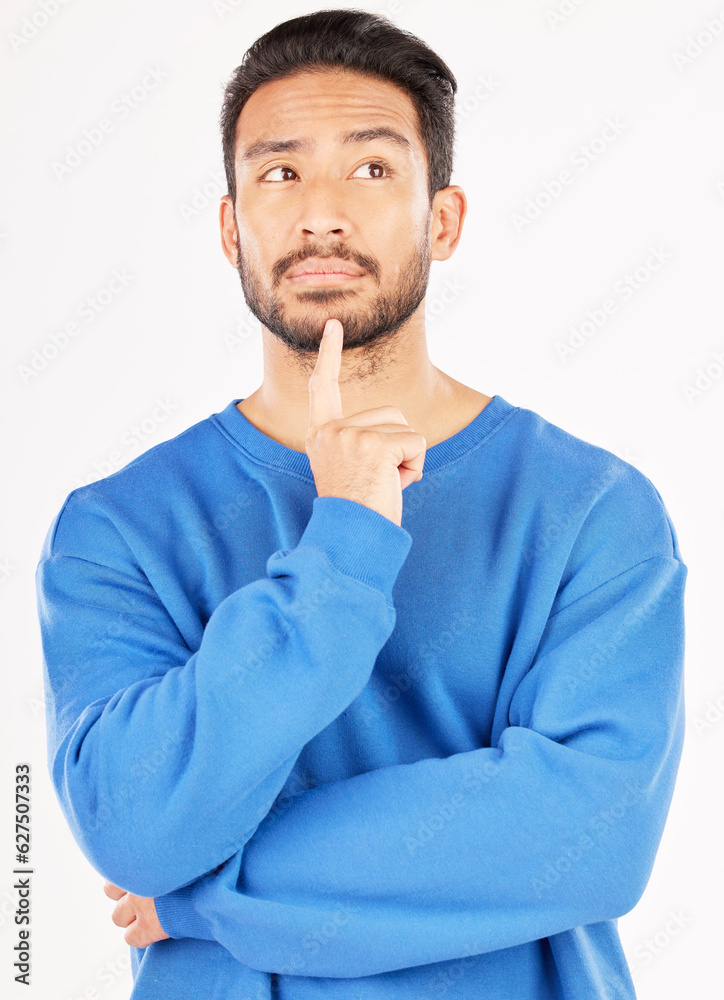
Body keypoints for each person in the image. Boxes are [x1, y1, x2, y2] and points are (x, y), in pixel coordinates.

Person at [35, 9, 688, 999]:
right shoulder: (115, 529)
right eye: (280, 173)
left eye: (372, 168)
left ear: (443, 220)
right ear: (230, 227)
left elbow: (592, 833)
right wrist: (344, 542)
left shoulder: (593, 508)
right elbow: (133, 826)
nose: (322, 215)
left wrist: (211, 891)